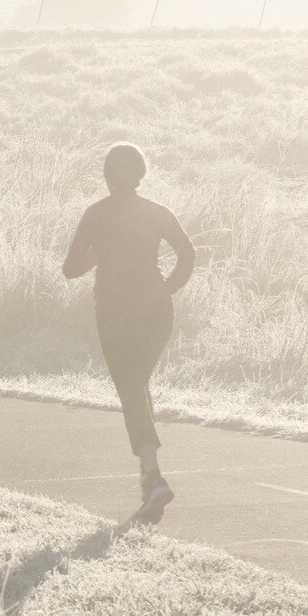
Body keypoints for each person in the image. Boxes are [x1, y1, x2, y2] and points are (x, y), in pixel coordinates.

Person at [62, 143, 195, 519]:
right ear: (140, 174)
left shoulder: (96, 214)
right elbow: (188, 254)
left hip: (115, 313)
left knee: (131, 385)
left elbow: (70, 269)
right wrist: (167, 287)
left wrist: (96, 255)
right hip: (158, 313)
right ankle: (149, 482)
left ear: (107, 175)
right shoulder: (156, 211)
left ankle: (154, 477)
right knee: (137, 383)